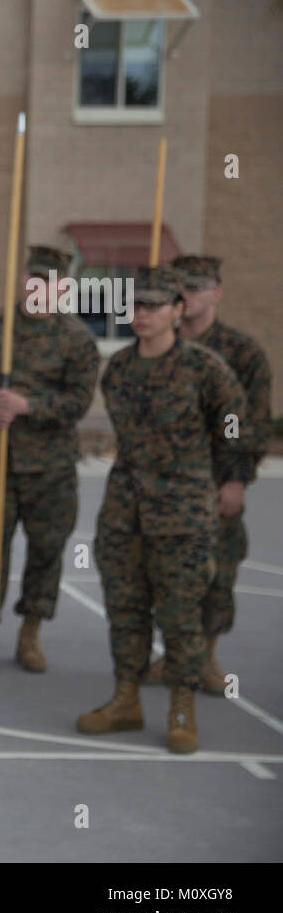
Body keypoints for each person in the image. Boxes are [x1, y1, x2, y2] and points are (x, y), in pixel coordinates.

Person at [76, 266, 247, 754]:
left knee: (180, 614)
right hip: (124, 509)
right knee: (125, 610)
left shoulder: (205, 369)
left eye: (155, 306)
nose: (142, 314)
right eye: (136, 306)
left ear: (177, 310)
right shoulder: (121, 369)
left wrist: (226, 475)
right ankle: (125, 699)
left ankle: (181, 708)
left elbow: (234, 423)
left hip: (183, 511)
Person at [0, 245, 100, 672]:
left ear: (63, 287)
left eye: (49, 283)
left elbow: (79, 401)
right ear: (23, 280)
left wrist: (30, 406)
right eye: (33, 279)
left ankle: (30, 633)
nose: (39, 288)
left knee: (47, 550)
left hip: (50, 466)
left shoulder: (77, 339)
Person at [141, 254, 272, 691]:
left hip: (216, 482)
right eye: (182, 288)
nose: (189, 295)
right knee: (164, 575)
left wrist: (235, 478)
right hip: (165, 482)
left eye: (197, 287)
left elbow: (252, 423)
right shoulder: (157, 345)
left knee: (218, 572)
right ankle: (175, 655)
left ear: (216, 292)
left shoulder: (242, 353)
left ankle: (207, 658)